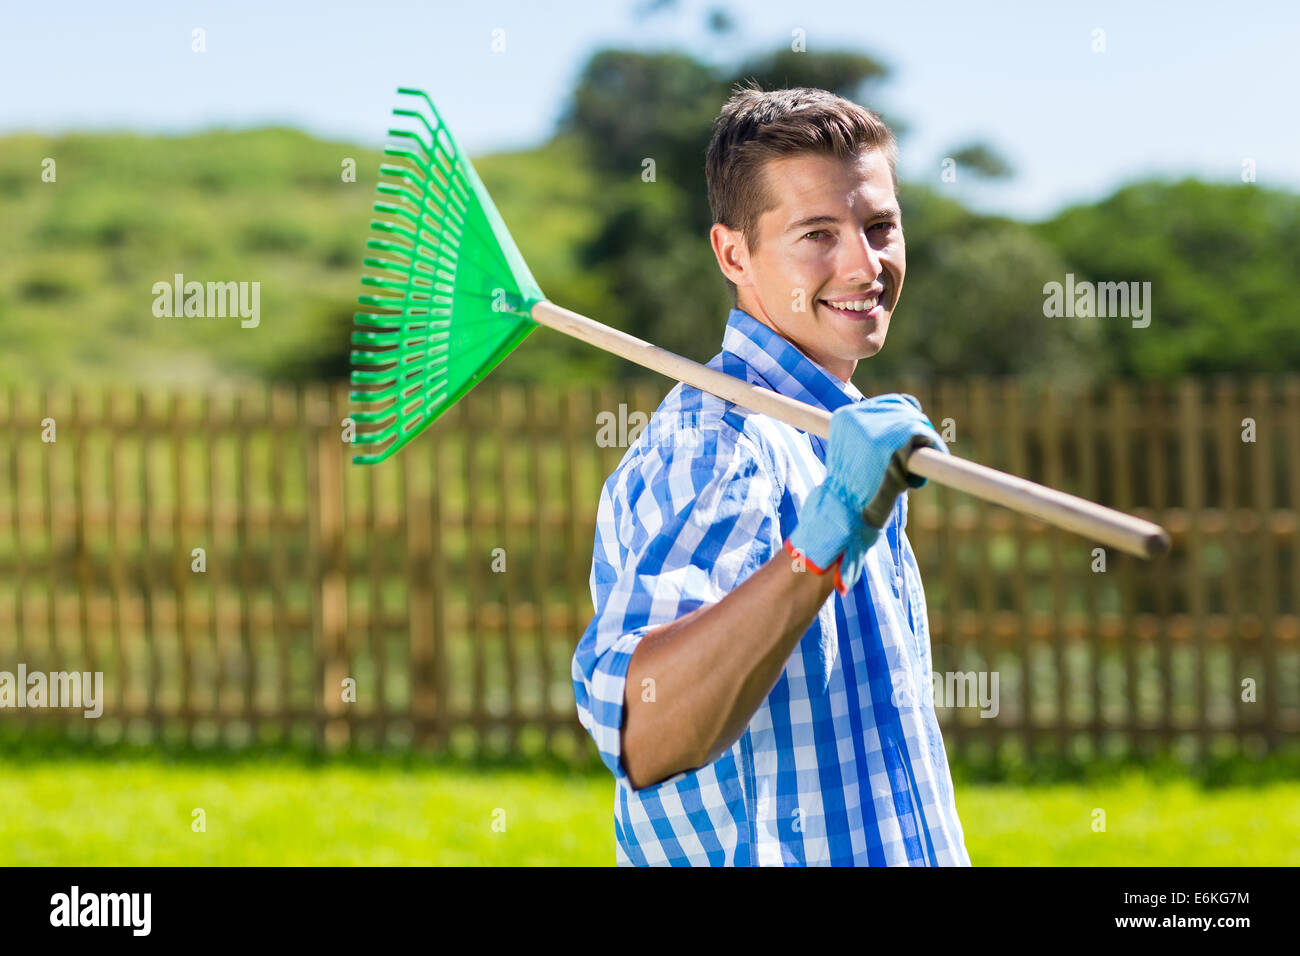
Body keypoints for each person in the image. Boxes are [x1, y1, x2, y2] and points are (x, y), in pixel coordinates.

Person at [571, 83, 970, 866]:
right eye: (817, 233)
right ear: (733, 253)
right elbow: (642, 731)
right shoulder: (716, 443)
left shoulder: (837, 441)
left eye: (880, 225)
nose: (865, 263)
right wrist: (823, 541)